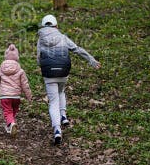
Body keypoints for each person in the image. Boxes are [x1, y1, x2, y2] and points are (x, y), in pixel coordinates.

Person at [36, 14, 101, 145]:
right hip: (63, 71)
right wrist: (92, 60)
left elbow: (38, 59)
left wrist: (44, 65)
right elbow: (77, 49)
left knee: (53, 101)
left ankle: (57, 130)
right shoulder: (63, 37)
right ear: (56, 26)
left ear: (43, 26)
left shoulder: (40, 40)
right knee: (61, 91)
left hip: (49, 73)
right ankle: (63, 115)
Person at [0, 44, 33, 135]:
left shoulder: (1, 69)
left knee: (8, 111)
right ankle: (10, 125)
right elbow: (25, 84)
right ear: (17, 57)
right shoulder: (20, 70)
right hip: (16, 96)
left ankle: (11, 123)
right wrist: (29, 96)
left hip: (5, 96)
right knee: (13, 110)